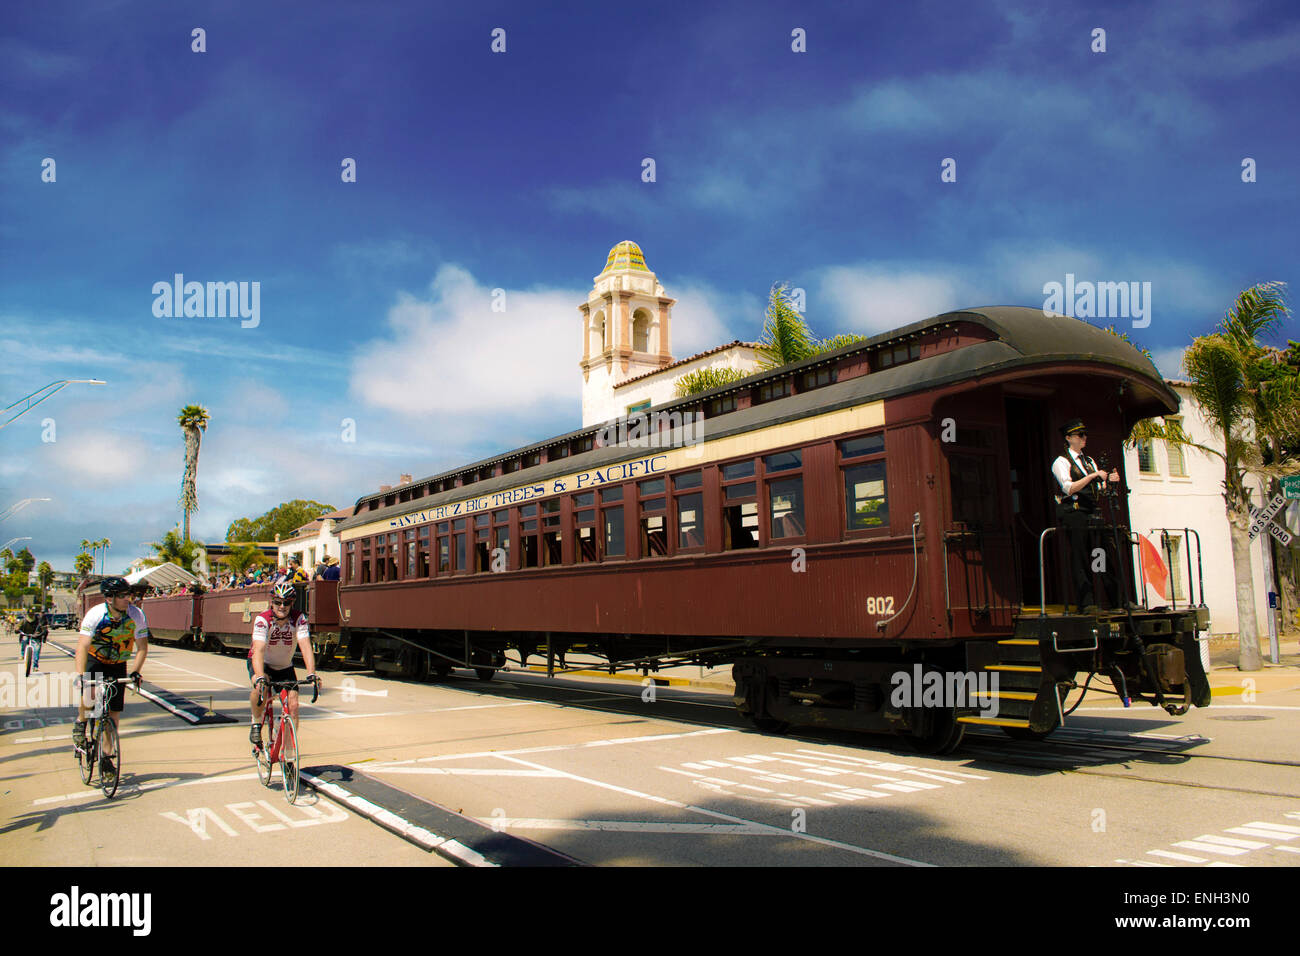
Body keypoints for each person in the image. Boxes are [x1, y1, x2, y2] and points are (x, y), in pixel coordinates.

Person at [1052, 418, 1129, 613]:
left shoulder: (1089, 461)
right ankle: (1086, 603)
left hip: (1092, 511)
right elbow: (1068, 488)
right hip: (1074, 512)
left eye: (1085, 434)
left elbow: (1099, 488)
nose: (1084, 438)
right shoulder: (1061, 462)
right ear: (1069, 438)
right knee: (1080, 556)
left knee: (1101, 554)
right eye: (1080, 435)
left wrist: (1110, 481)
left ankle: (1116, 601)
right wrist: (1093, 476)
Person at [74, 577, 148, 749]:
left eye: (128, 595)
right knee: (90, 694)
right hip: (96, 658)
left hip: (118, 662)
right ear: (109, 598)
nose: (127, 599)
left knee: (113, 714)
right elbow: (83, 646)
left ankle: (107, 757)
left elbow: (142, 648)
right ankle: (81, 722)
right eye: (122, 596)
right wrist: (80, 675)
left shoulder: (136, 615)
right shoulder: (96, 613)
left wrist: (136, 671)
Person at [248, 581, 319, 750]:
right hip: (262, 663)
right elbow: (258, 650)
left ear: (291, 603)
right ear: (272, 602)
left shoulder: (299, 619)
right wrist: (259, 677)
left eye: (286, 603)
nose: (282, 606)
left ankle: (288, 755)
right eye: (278, 602)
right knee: (261, 687)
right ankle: (256, 723)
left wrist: (312, 673)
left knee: (293, 706)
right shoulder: (262, 620)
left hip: (285, 666)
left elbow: (305, 645)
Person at [18, 606, 48, 670]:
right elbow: (18, 627)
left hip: (36, 637)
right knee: (24, 640)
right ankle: (22, 654)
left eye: (32, 614)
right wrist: (17, 629)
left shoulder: (38, 621)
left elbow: (44, 628)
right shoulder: (23, 620)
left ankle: (35, 665)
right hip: (26, 635)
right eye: (29, 614)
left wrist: (42, 632)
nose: (31, 616)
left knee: (36, 650)